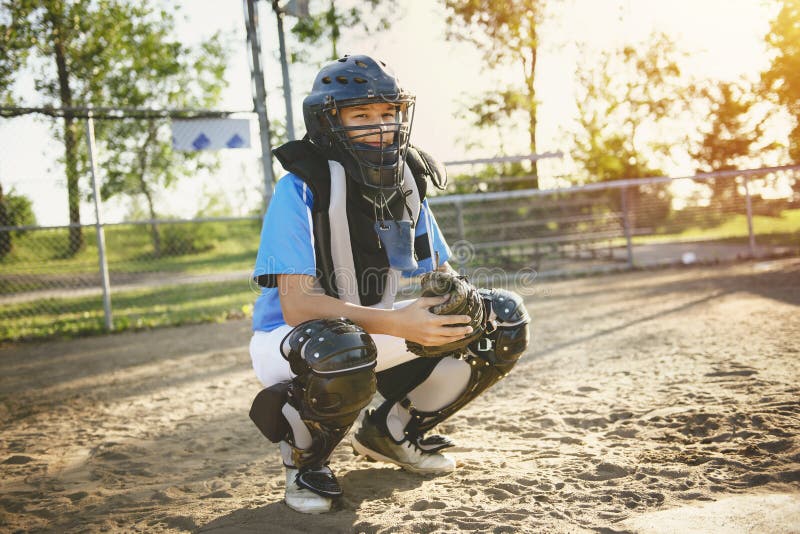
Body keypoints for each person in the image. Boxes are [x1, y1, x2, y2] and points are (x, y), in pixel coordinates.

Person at [248, 54, 530, 514]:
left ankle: (391, 431)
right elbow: (298, 306)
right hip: (292, 341)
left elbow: (440, 272)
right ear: (328, 122)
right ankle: (305, 460)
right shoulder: (301, 187)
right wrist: (399, 324)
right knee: (343, 345)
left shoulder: (406, 179)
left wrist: (453, 297)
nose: (381, 126)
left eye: (389, 113)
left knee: (500, 318)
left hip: (368, 328)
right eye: (361, 115)